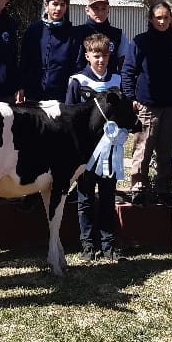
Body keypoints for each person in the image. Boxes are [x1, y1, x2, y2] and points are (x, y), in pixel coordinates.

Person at [121, 1, 172, 205]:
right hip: (147, 104)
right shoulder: (140, 42)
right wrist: (131, 97)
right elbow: (128, 71)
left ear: (171, 19)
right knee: (143, 147)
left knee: (166, 149)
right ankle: (138, 187)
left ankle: (163, 188)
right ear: (151, 19)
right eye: (158, 17)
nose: (162, 21)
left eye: (166, 17)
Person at [66, 33, 124, 262]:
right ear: (88, 55)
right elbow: (69, 116)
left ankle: (109, 244)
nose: (101, 60)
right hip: (86, 152)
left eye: (105, 55)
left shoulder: (118, 81)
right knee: (85, 198)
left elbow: (124, 116)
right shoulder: (78, 81)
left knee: (108, 197)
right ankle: (88, 245)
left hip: (110, 150)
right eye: (96, 55)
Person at [19, 0, 83, 102]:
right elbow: (24, 62)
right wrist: (21, 87)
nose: (58, 8)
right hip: (34, 95)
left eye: (62, 5)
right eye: (55, 4)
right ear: (46, 5)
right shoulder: (34, 30)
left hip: (61, 97)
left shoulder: (73, 34)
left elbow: (77, 66)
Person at [74, 0, 130, 75]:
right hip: (82, 84)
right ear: (87, 10)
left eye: (103, 9)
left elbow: (125, 65)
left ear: (108, 10)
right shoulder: (77, 33)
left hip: (110, 85)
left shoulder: (118, 35)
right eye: (95, 8)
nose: (100, 13)